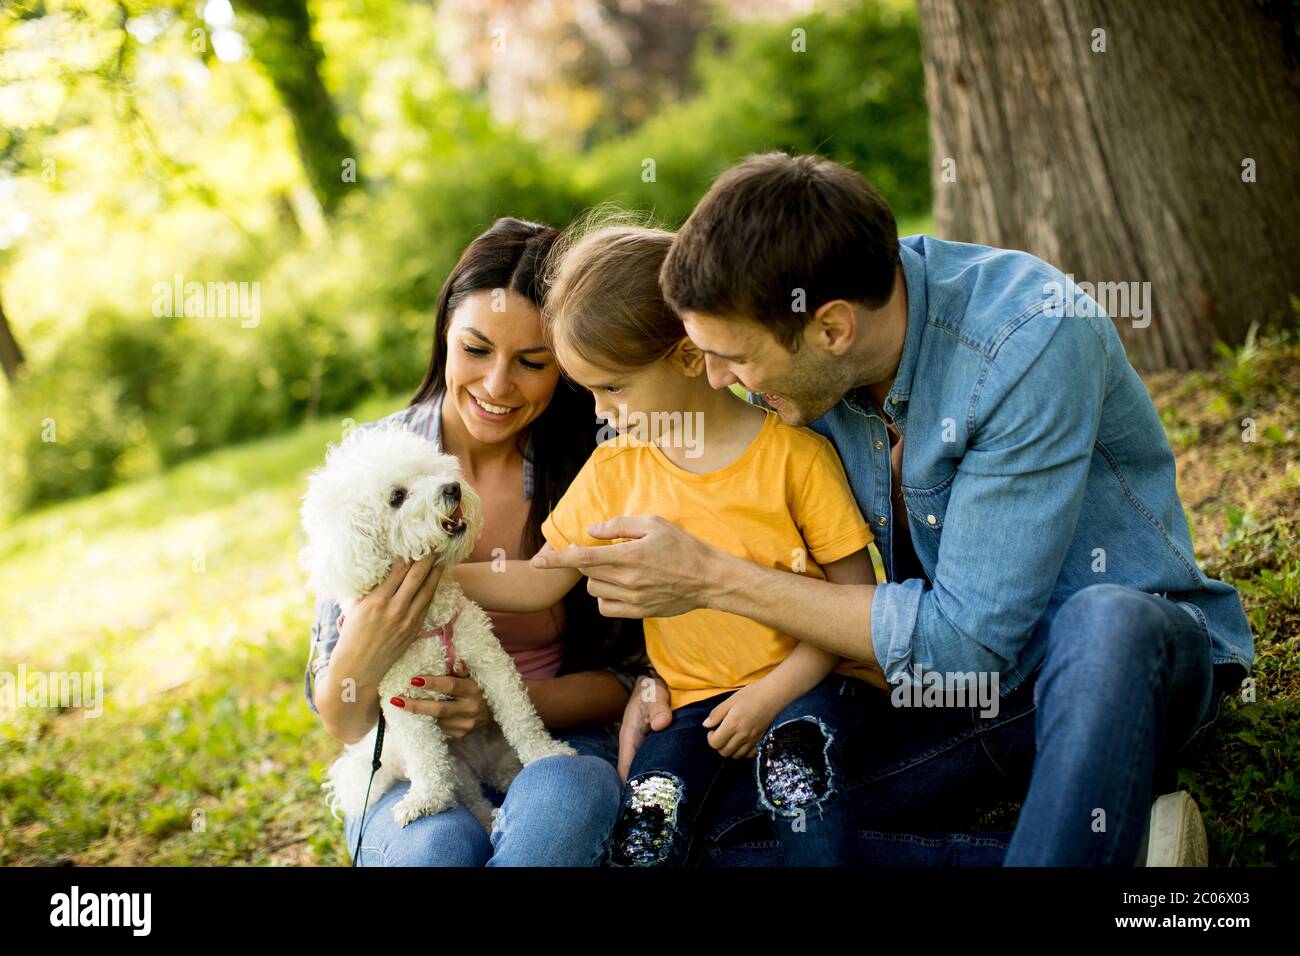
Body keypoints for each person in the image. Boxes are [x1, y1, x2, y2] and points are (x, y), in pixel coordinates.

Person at [533, 153, 1255, 866]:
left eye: (736, 361)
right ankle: (1130, 859)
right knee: (694, 819)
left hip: (1109, 675)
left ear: (833, 328)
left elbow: (969, 640)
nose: (723, 382)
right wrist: (672, 675)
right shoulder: (791, 352)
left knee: (1107, 618)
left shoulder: (1028, 340)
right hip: (946, 700)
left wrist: (710, 578)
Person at [454, 222, 882, 866]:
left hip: (808, 685)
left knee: (796, 777)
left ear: (688, 354)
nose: (600, 412)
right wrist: (434, 577)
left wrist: (770, 695)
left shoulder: (796, 456)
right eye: (589, 391)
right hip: (687, 706)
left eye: (614, 388)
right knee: (645, 829)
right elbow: (541, 577)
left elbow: (858, 603)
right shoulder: (614, 470)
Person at [304, 217, 647, 866]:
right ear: (444, 334)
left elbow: (633, 674)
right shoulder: (375, 464)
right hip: (413, 756)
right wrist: (370, 638)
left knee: (562, 803)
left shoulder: (595, 463)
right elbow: (344, 717)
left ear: (567, 365)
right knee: (434, 850)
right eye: (477, 349)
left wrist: (496, 705)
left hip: (557, 737)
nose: (496, 387)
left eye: (532, 363)